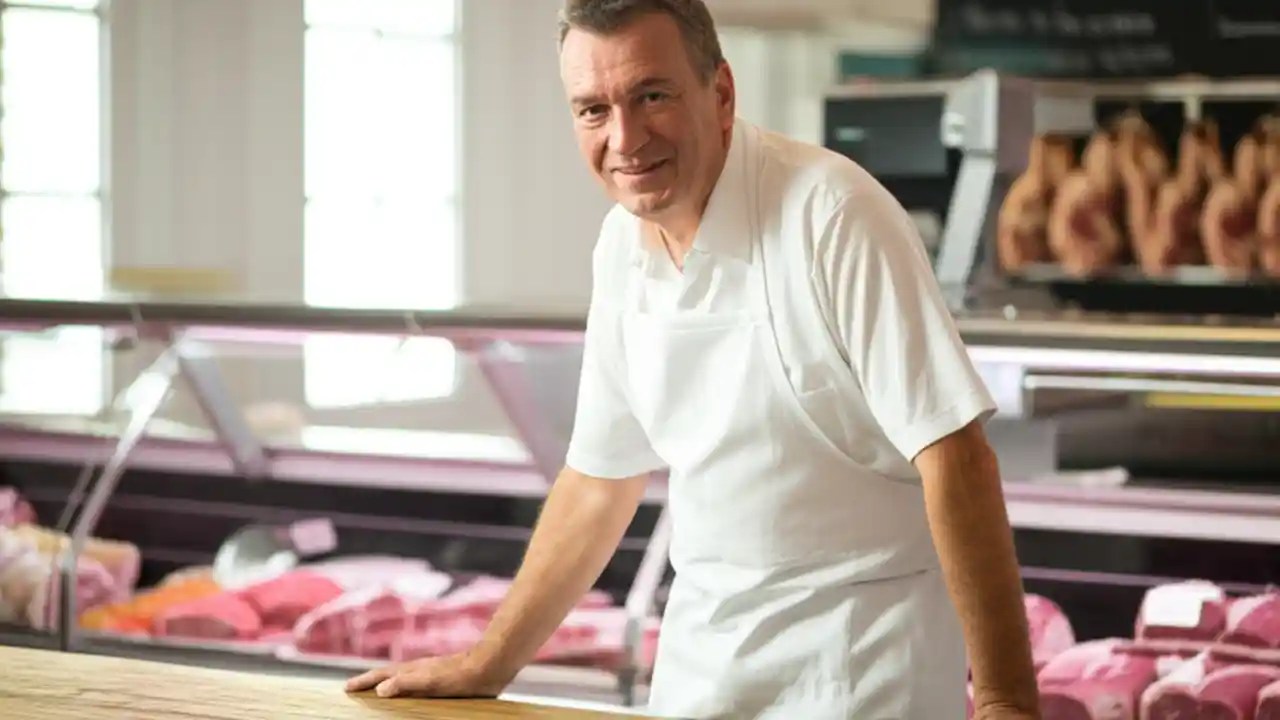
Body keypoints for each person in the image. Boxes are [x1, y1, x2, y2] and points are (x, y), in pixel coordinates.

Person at [346, 1, 1041, 717]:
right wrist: (488, 662)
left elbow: (954, 454)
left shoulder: (834, 215)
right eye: (592, 110)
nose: (625, 138)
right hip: (701, 672)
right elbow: (597, 482)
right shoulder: (620, 247)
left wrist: (1005, 700)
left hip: (859, 669)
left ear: (722, 94)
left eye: (652, 96)